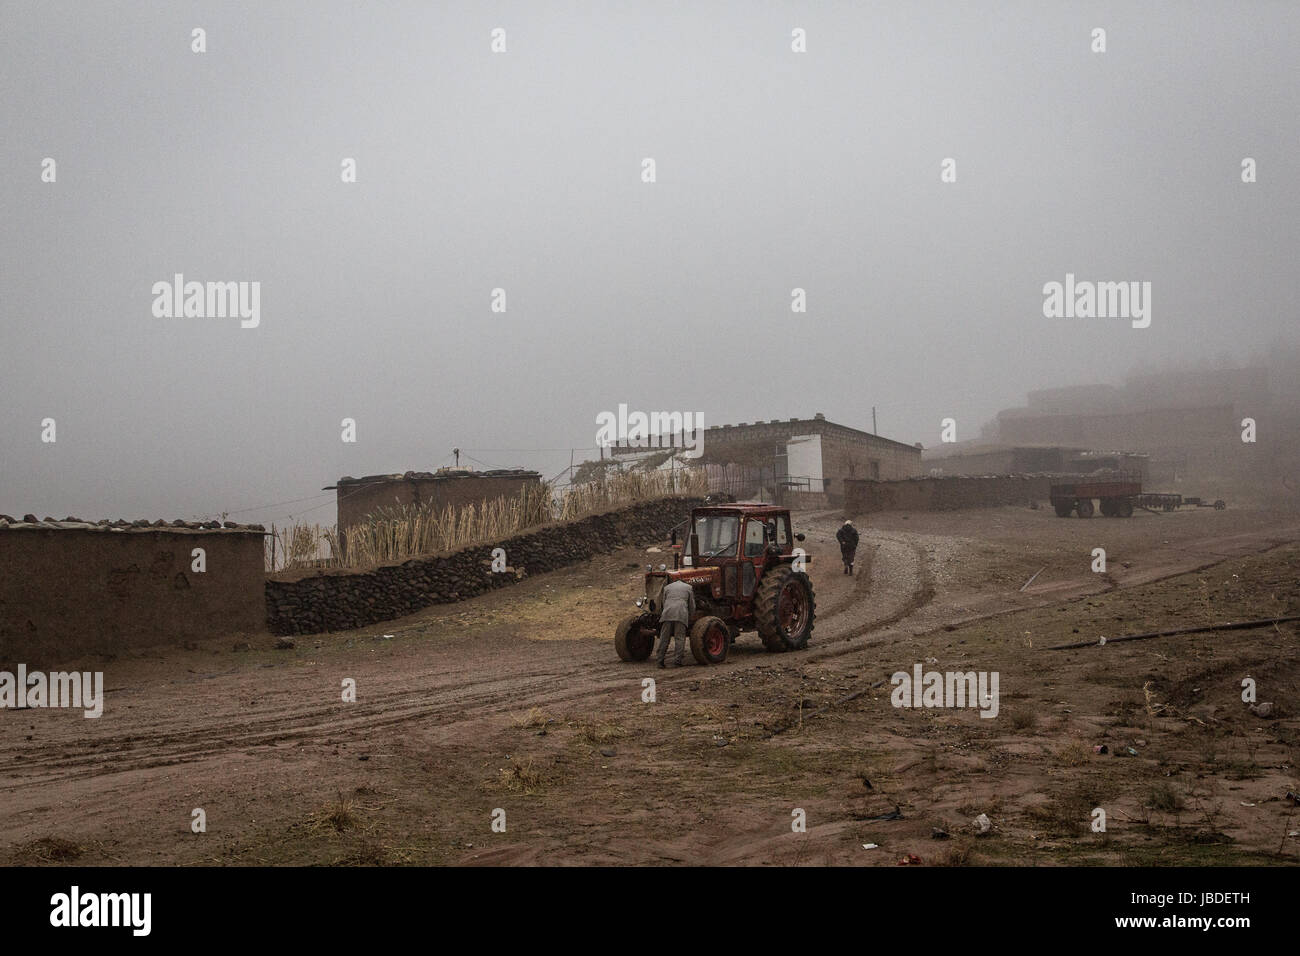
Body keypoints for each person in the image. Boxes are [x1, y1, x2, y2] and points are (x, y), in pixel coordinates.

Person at [656, 578, 696, 668]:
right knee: (679, 638)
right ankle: (677, 661)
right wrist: (691, 616)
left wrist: (663, 612)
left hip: (667, 613)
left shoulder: (667, 587)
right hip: (680, 614)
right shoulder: (689, 587)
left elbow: (663, 602)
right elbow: (691, 605)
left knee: (664, 638)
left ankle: (660, 660)